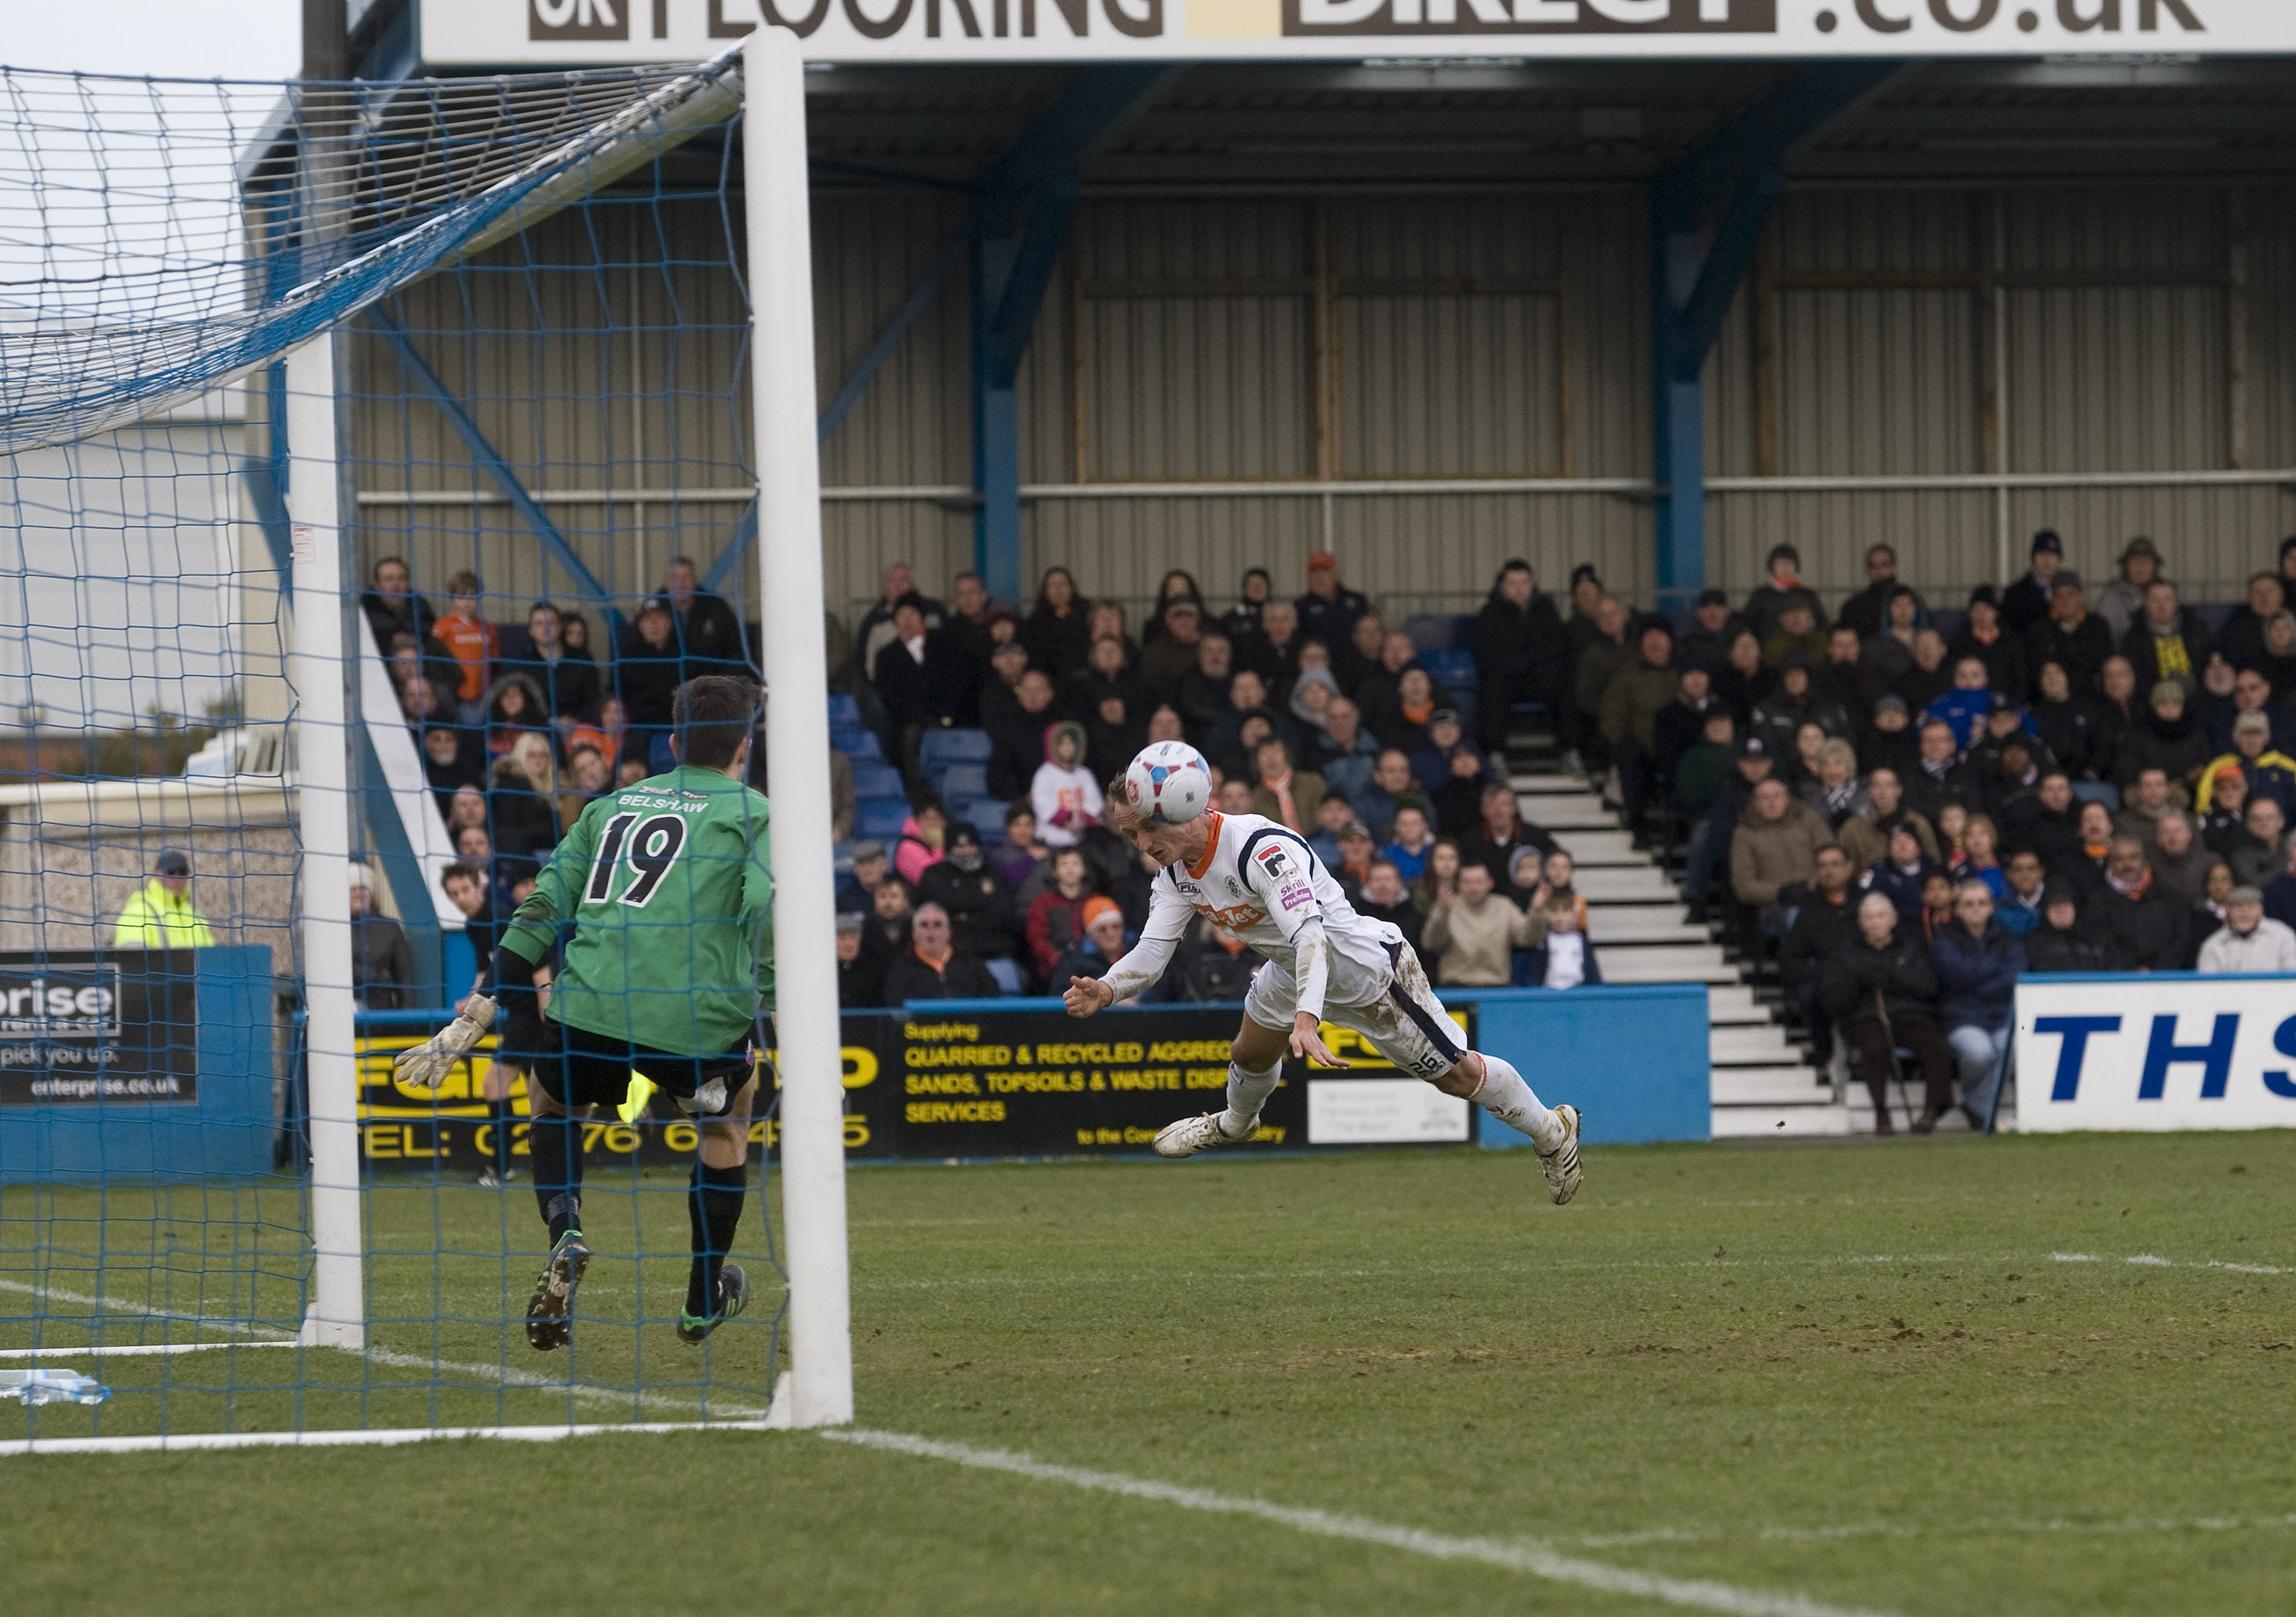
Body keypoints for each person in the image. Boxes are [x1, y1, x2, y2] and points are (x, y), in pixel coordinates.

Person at [394, 676, 773, 1351]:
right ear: (744, 745)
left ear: (674, 742)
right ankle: (700, 1299)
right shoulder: (754, 813)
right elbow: (763, 905)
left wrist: (482, 1005)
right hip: (699, 1017)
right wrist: (762, 1007)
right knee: (725, 1127)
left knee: (551, 1104)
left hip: (592, 1002)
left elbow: (540, 911)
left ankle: (565, 1225)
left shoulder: (608, 809)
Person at [1065, 742, 1583, 1199]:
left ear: (1172, 809)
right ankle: (1233, 1125)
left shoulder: (1259, 849)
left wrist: (1308, 1018)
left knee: (1459, 1076)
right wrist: (1107, 989)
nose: (1141, 847)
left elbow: (1311, 935)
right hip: (1293, 971)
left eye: (1141, 831)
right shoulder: (1177, 876)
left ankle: (1552, 1133)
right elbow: (1154, 952)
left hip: (1368, 975)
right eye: (1129, 836)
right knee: (1248, 1051)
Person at [1820, 893, 1959, 1135]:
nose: (1875, 922)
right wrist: (1858, 980)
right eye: (1869, 917)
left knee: (1936, 1045)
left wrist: (1895, 974)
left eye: (1880, 916)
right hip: (1865, 1019)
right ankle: (1881, 1111)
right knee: (1874, 1046)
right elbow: (1834, 1000)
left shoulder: (1912, 946)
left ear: (1893, 919)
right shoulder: (1846, 953)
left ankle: (1933, 1110)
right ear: (1861, 923)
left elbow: (1929, 987)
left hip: (1910, 1015)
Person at [1932, 880, 2024, 1130]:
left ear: (1991, 908)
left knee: (2015, 1048)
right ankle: (1980, 1105)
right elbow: (1954, 975)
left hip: (2000, 1015)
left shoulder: (2008, 939)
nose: (1975, 908)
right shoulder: (1944, 940)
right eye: (1968, 904)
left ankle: (1975, 1104)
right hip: (1961, 1018)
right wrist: (1992, 974)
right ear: (1958, 909)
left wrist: (1976, 981)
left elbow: (2014, 977)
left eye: (1982, 903)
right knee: (1979, 1053)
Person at [1471, 559, 1566, 754]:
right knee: (1493, 685)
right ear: (1503, 586)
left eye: (1524, 583)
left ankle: (1569, 751)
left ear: (1532, 585)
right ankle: (1495, 754)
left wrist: (1531, 661)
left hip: (1540, 677)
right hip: (1507, 679)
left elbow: (1557, 647)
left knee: (1567, 682)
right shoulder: (1490, 614)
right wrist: (1523, 662)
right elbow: (1487, 655)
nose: (1519, 589)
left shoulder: (1547, 610)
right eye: (1513, 583)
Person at [873, 601, 970, 786]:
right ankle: (916, 793)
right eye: (901, 615)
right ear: (894, 622)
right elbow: (889, 697)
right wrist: (917, 717)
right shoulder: (886, 656)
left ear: (923, 619)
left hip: (947, 717)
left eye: (912, 614)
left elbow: (957, 682)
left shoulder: (945, 645)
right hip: (908, 722)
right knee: (910, 737)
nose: (907, 620)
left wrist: (945, 715)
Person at [1778, 843, 1859, 1064]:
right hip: (1826, 978)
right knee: (1808, 993)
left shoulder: (1867, 903)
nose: (1829, 871)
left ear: (1849, 868)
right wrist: (1820, 971)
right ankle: (1826, 1055)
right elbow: (1791, 958)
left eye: (1835, 864)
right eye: (1822, 865)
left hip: (1865, 972)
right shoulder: (1808, 911)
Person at [916, 822, 1022, 989]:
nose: (965, 851)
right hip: (950, 958)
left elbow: (1004, 912)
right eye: (959, 847)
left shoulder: (994, 874)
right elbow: (942, 903)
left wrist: (964, 915)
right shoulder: (935, 874)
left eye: (970, 845)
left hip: (995, 953)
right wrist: (984, 898)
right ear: (949, 848)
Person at [1416, 859, 1543, 988]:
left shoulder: (1504, 906)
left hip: (1496, 986)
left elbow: (1528, 938)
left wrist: (1537, 910)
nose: (1473, 887)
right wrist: (1442, 914)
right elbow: (1430, 944)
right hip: (1456, 987)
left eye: (1479, 882)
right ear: (1459, 884)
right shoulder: (1448, 906)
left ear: (1490, 883)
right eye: (1467, 882)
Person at [2081, 837, 2189, 971]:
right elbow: (2101, 943)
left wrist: (2158, 970)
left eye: (2133, 857)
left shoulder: (2168, 895)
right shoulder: (2099, 901)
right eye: (2119, 859)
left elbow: (2180, 938)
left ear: (2143, 859)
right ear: (2110, 863)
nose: (2127, 865)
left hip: (2165, 978)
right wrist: (2131, 970)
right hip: (2118, 980)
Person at [884, 902, 1003, 1002]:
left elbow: (993, 997)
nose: (931, 931)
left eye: (937, 925)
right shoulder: (902, 968)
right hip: (924, 1029)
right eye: (924, 925)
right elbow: (897, 1008)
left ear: (949, 932)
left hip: (969, 1028)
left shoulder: (970, 963)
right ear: (914, 933)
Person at [1460, 778, 1555, 904]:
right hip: (1483, 908)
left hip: (1529, 904)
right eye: (1492, 805)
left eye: (1504, 804)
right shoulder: (1470, 840)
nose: (1498, 810)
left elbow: (1556, 862)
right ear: (1483, 810)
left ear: (1514, 808)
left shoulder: (1536, 836)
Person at [113, 847, 215, 949]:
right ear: (156, 874)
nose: (177, 879)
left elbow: (212, 961)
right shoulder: (138, 912)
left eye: (183, 873)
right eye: (170, 872)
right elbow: (132, 960)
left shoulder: (196, 918)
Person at [348, 863, 415, 1012]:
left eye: (363, 888)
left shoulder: (389, 928)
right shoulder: (336, 928)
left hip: (380, 1011)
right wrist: (377, 977)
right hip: (344, 1010)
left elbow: (404, 975)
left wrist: (407, 1016)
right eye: (353, 889)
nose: (359, 893)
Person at [1026, 845, 1098, 981]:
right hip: (1054, 971)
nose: (1070, 870)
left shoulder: (1095, 901)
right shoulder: (1042, 903)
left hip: (1093, 968)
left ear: (1084, 869)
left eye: (1075, 864)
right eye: (1064, 864)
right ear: (1054, 871)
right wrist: (1059, 961)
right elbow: (1037, 940)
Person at [1032, 720, 1104, 849]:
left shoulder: (1084, 774)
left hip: (1082, 840)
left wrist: (1082, 821)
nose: (1068, 747)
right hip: (1050, 841)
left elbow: (1095, 803)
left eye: (1071, 743)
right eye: (1062, 743)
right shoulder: (1044, 773)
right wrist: (1068, 820)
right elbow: (1043, 805)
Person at [2196, 884, 2296, 973]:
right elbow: (2208, 986)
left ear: (2261, 909)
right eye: (2238, 906)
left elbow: (2292, 976)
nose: (2245, 912)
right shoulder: (2213, 945)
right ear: (2229, 911)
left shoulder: (2283, 936)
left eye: (2250, 906)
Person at [1022, 565, 1092, 681]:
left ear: (1072, 588)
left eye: (1062, 584)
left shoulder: (1088, 614)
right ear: (1045, 591)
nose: (1057, 589)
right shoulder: (1035, 621)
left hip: (1083, 677)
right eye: (1052, 585)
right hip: (1050, 679)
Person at [1050, 896, 1132, 994]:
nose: (1110, 934)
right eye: (1102, 929)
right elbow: (1059, 994)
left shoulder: (1139, 950)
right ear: (1090, 934)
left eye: (1116, 927)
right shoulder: (1075, 961)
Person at [1524, 887, 1600, 989]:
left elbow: (1592, 973)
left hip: (1578, 994)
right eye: (1554, 911)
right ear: (1546, 913)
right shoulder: (1541, 942)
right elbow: (1533, 975)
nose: (1560, 917)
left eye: (1565, 911)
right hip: (1548, 994)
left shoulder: (1581, 941)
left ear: (1574, 914)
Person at [1295, 550, 1370, 649]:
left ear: (1336, 575)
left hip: (1354, 660)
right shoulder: (1301, 607)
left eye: (1325, 572)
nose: (1319, 577)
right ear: (1308, 578)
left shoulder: (1357, 601)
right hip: (1320, 661)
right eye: (1314, 573)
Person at [1999, 528, 2063, 638]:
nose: (2046, 560)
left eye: (2052, 555)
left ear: (2059, 559)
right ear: (2032, 559)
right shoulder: (2015, 594)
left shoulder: (2070, 592)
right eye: (2041, 554)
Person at [1355, 858, 1424, 957]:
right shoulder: (1357, 916)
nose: (1382, 885)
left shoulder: (1414, 918)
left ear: (1399, 884)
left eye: (1388, 879)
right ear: (1368, 884)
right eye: (1377, 880)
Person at [835, 910, 890, 1009]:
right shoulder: (823, 973)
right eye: (842, 938)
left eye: (853, 937)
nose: (849, 944)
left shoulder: (873, 971)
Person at [1996, 849, 2047, 935]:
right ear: (2009, 875)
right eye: (2018, 869)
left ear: (2041, 872)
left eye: (2031, 869)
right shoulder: (1999, 908)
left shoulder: (2052, 902)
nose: (2025, 875)